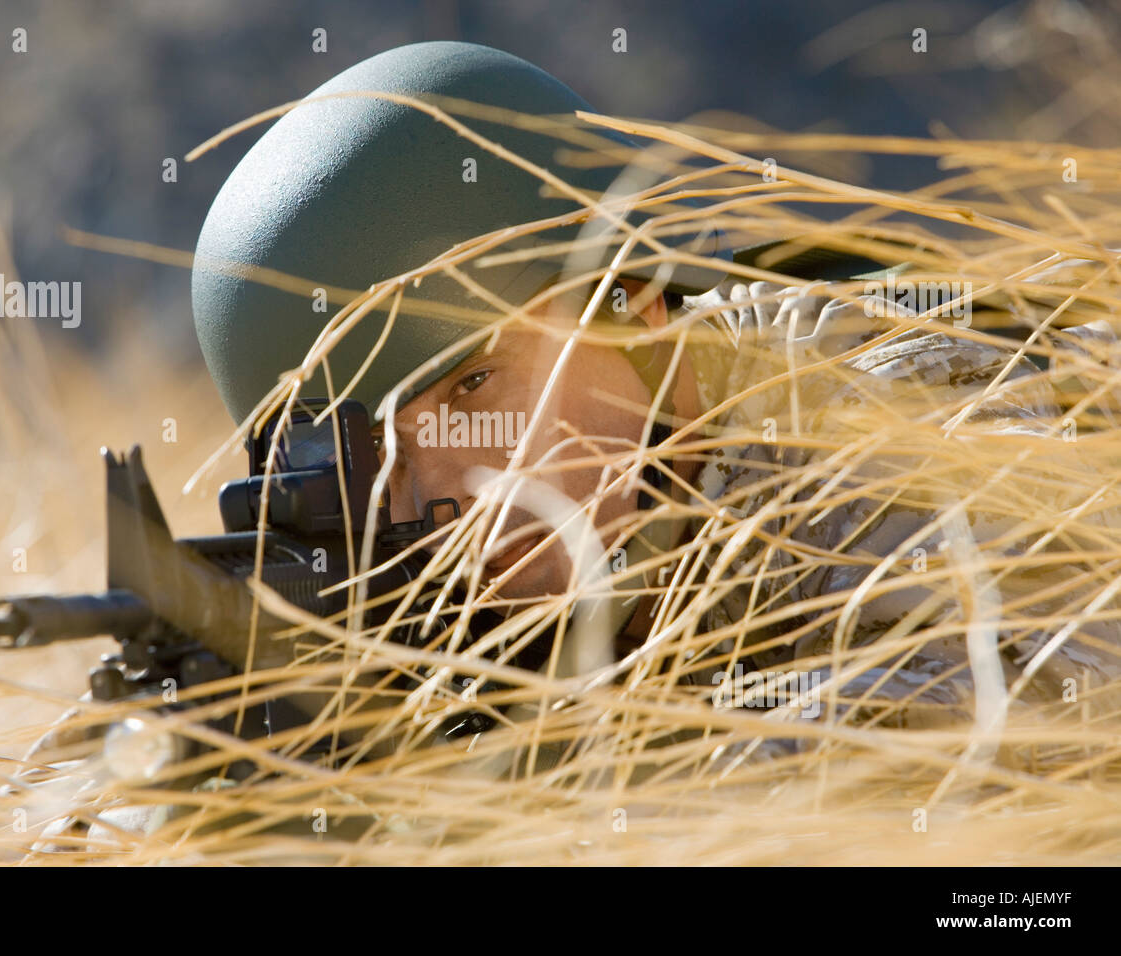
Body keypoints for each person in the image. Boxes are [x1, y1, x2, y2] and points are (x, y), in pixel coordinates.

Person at [193, 40, 1121, 729]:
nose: (451, 487)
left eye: (474, 384)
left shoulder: (899, 401)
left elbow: (972, 750)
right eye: (378, 456)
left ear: (630, 305)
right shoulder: (447, 591)